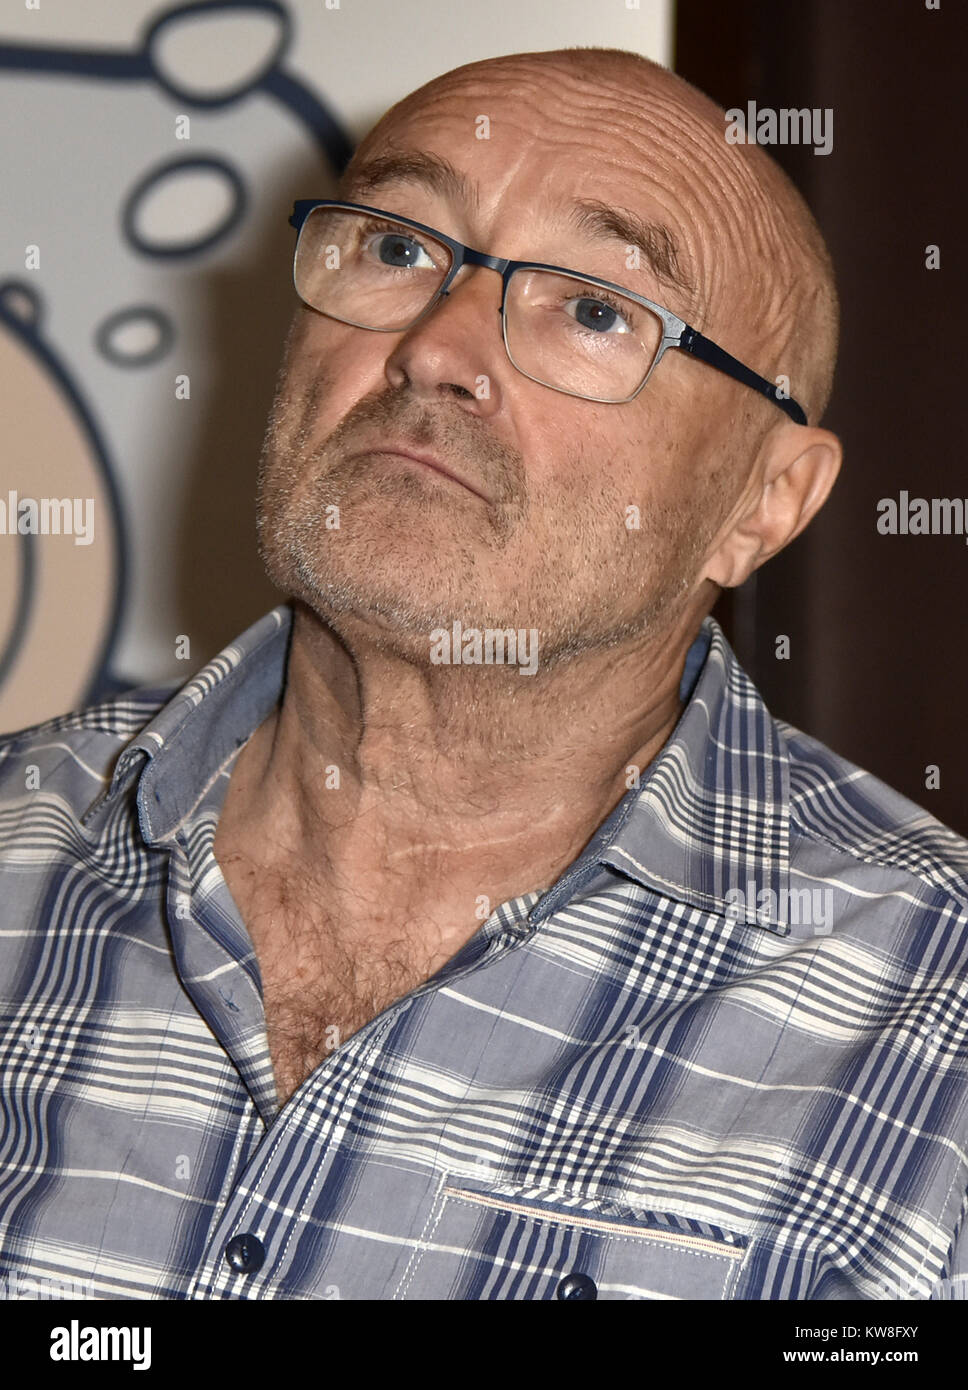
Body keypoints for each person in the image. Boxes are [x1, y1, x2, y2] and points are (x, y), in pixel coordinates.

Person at [1, 47, 966, 1303]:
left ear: (763, 501)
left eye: (595, 309)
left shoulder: (931, 1021)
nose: (437, 348)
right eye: (397, 248)